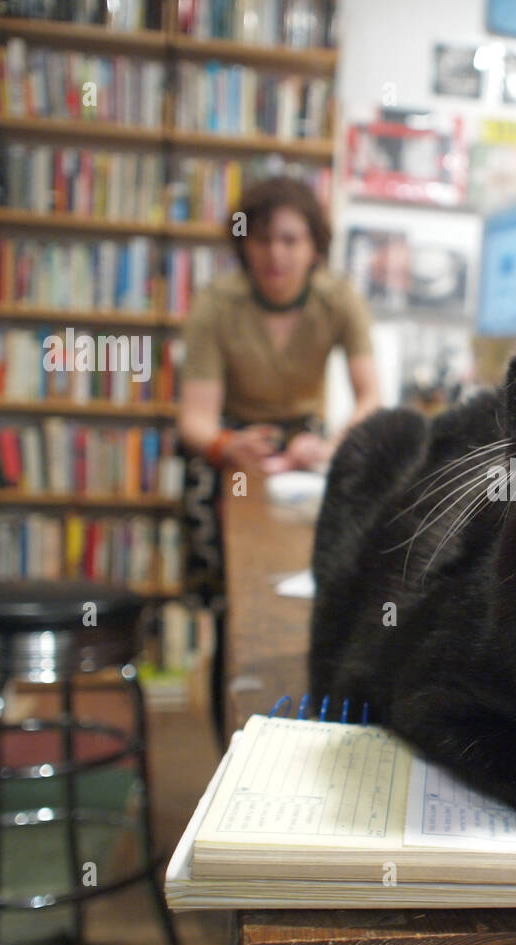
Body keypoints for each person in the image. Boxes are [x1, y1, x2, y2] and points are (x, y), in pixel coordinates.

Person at [176, 175, 382, 738]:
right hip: (232, 454)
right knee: (236, 608)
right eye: (263, 239)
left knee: (321, 582)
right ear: (242, 243)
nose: (276, 253)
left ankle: (318, 728)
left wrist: (333, 444)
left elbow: (369, 397)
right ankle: (235, 737)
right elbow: (194, 419)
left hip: (308, 450)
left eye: (291, 240)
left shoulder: (338, 299)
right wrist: (227, 445)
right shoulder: (218, 305)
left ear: (315, 246)